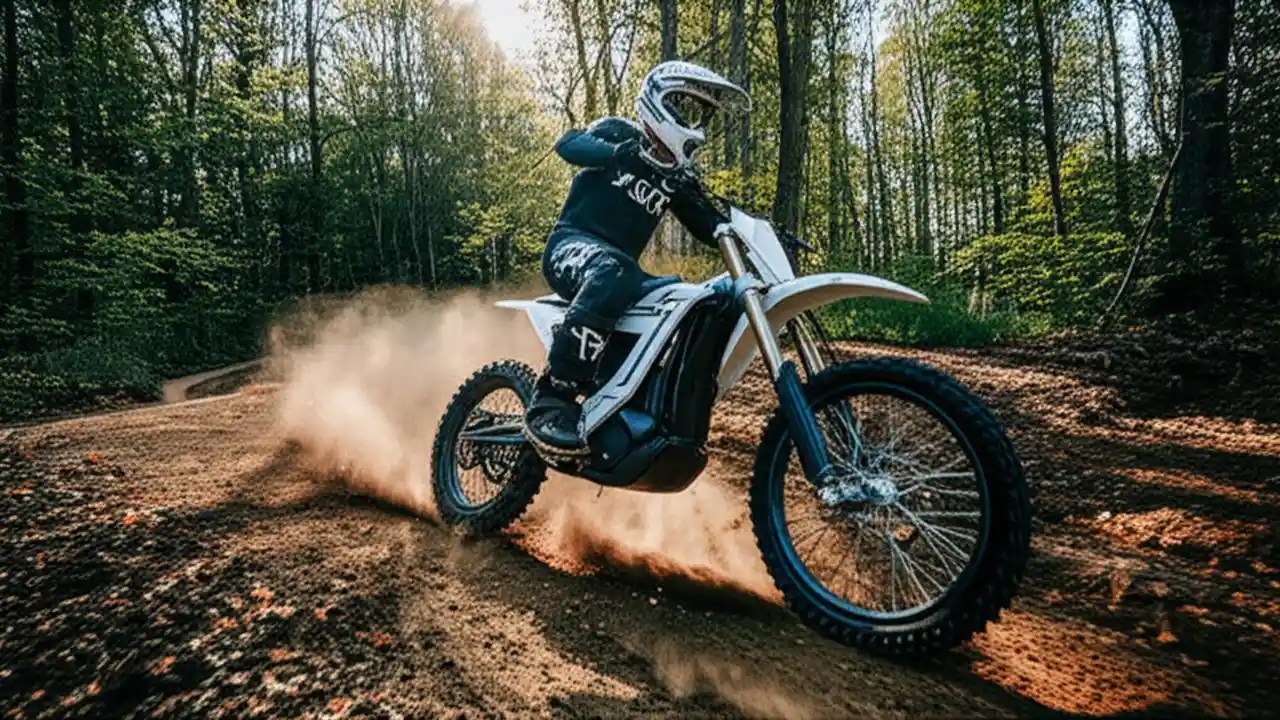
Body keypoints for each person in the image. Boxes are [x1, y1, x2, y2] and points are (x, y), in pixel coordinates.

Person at [523, 60, 750, 461]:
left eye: (702, 114)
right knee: (613, 272)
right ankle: (552, 397)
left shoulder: (673, 179)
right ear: (660, 101)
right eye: (686, 106)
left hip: (620, 271)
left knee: (689, 298)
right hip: (572, 247)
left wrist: (750, 233)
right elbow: (568, 145)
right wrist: (618, 153)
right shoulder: (618, 132)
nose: (694, 122)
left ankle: (634, 405)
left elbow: (706, 222)